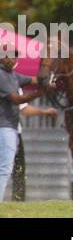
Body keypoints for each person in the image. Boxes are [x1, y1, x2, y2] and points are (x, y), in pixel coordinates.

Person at [1, 57, 54, 201]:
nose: (12, 58)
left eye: (14, 54)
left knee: (14, 169)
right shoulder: (2, 76)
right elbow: (18, 102)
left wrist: (48, 76)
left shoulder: (13, 75)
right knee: (5, 169)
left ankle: (18, 201)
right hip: (5, 129)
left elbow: (35, 80)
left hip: (13, 129)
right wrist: (40, 94)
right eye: (8, 55)